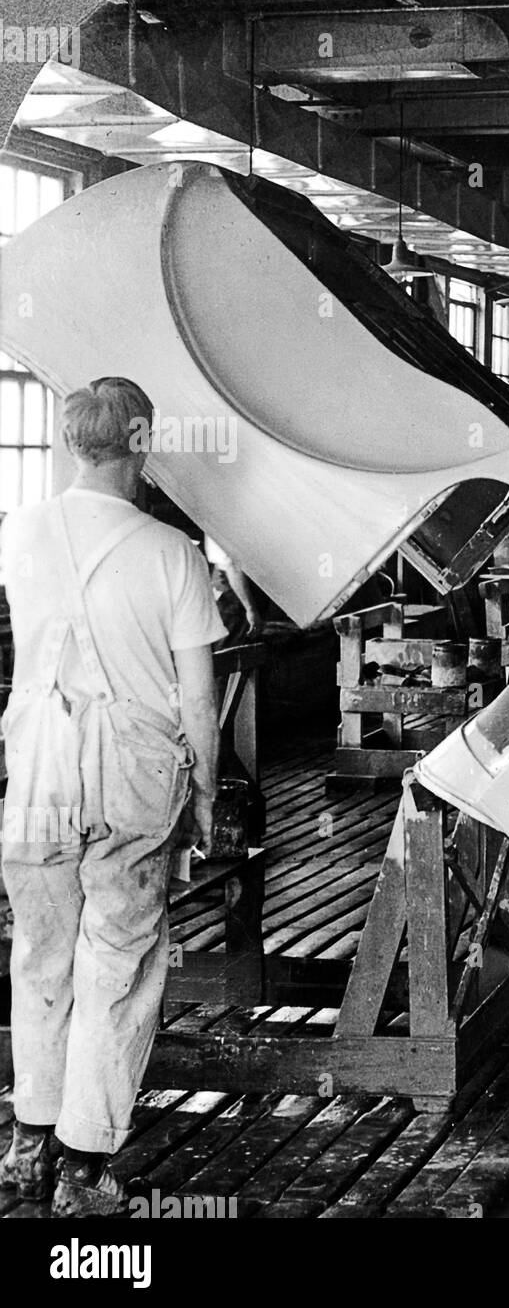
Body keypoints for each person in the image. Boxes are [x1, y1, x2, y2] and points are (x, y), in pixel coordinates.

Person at [0, 377, 224, 1216]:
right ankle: (85, 1165)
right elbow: (199, 701)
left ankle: (28, 1139)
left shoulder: (17, 532)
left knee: (41, 949)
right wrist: (203, 791)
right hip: (131, 768)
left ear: (68, 444)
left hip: (40, 766)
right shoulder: (173, 555)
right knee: (121, 960)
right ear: (140, 441)